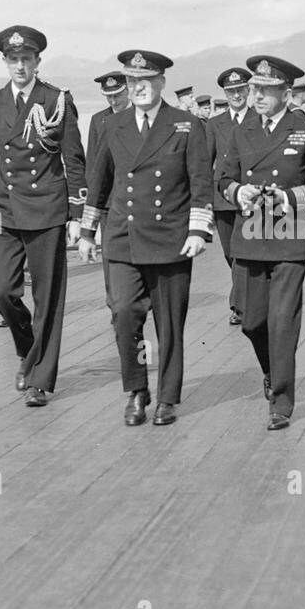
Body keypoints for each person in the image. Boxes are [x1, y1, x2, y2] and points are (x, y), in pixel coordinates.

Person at [78, 50, 213, 427]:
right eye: (133, 82)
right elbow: (98, 183)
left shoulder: (186, 125)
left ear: (161, 83)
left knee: (169, 324)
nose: (139, 88)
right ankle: (137, 390)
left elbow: (201, 183)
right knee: (123, 313)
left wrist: (199, 230)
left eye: (147, 81)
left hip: (170, 238)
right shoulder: (112, 126)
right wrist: (88, 232)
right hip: (123, 236)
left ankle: (167, 397)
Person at [0, 25, 85, 406]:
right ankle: (28, 348)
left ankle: (40, 380)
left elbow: (74, 160)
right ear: (5, 62)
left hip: (46, 210)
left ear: (37, 62)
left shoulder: (56, 100)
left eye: (26, 59)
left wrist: (77, 214)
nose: (19, 66)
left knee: (47, 298)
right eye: (13, 60)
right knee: (1, 290)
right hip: (2, 209)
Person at [217, 55, 305, 430]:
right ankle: (272, 370)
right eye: (255, 90)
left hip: (288, 236)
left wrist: (288, 198)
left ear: (287, 94)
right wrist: (240, 192)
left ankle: (281, 401)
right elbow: (221, 178)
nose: (258, 97)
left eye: (267, 91)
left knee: (282, 322)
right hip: (250, 236)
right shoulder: (241, 131)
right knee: (253, 322)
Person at [204, 66, 255, 326]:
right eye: (231, 91)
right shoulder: (214, 125)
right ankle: (244, 298)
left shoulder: (259, 118)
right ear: (225, 93)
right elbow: (205, 163)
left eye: (240, 89)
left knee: (245, 251)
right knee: (230, 253)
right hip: (223, 198)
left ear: (249, 90)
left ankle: (239, 305)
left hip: (253, 198)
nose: (236, 95)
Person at [87, 70, 134, 325]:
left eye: (118, 94)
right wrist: (90, 208)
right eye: (109, 96)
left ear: (128, 90)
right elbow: (93, 164)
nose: (114, 101)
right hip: (108, 202)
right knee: (109, 254)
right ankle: (114, 303)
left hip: (138, 199)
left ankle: (136, 299)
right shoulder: (98, 121)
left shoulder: (140, 115)